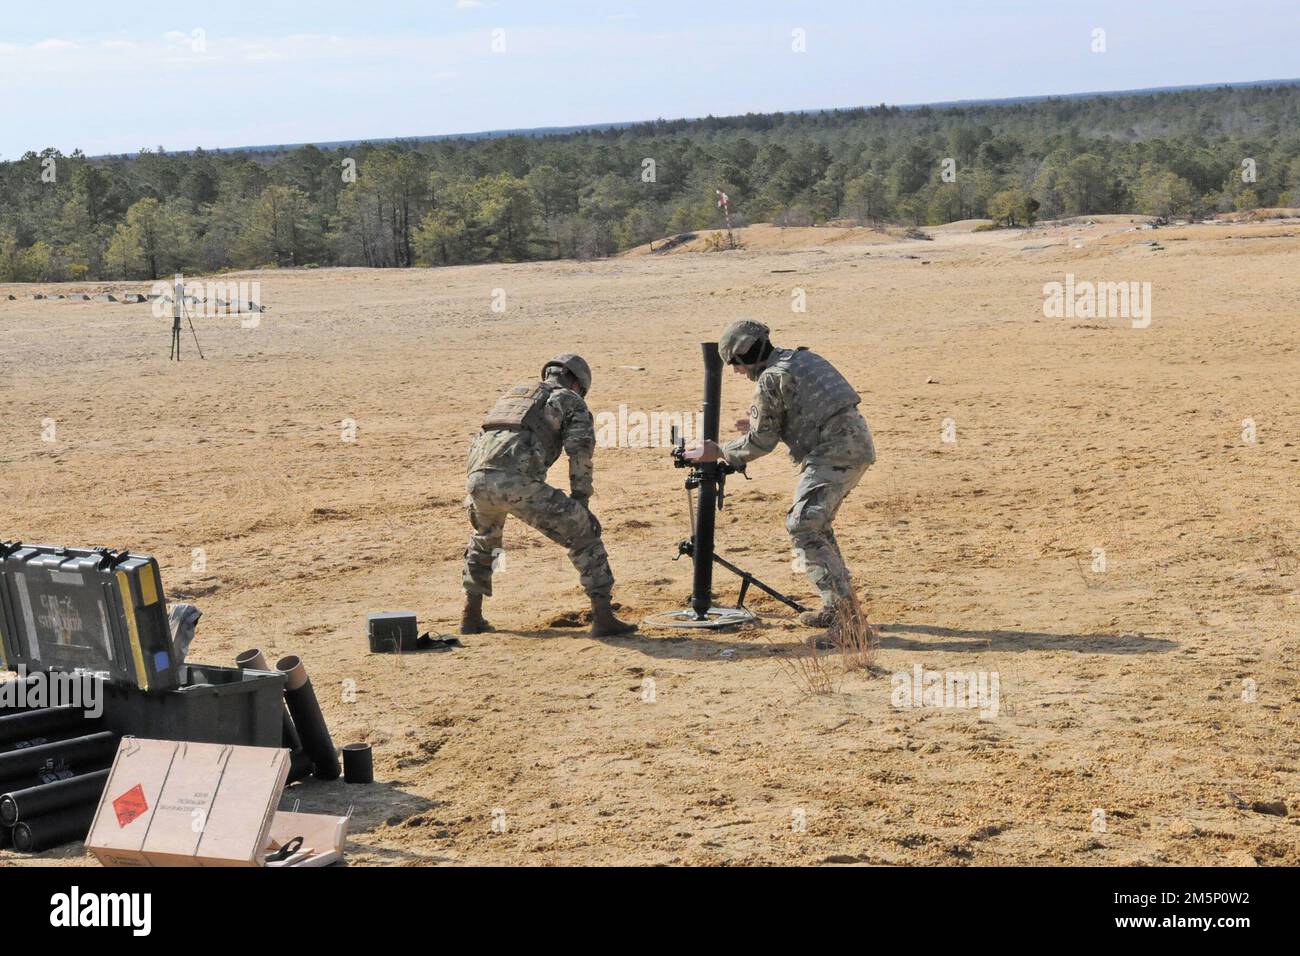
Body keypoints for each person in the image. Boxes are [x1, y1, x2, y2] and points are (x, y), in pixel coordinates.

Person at [683, 321, 875, 640]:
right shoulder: (798, 359)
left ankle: (849, 624)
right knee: (817, 524)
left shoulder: (772, 377)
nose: (736, 371)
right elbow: (809, 408)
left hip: (836, 451)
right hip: (850, 445)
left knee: (803, 525)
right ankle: (836, 606)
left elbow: (761, 442)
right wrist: (765, 422)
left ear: (745, 353)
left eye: (735, 363)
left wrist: (716, 451)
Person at [460, 352, 637, 637]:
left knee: (485, 538)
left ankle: (471, 615)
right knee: (585, 533)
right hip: (516, 481)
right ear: (578, 384)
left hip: (477, 480)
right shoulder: (570, 400)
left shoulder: (513, 396)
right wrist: (581, 503)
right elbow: (580, 452)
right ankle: (603, 617)